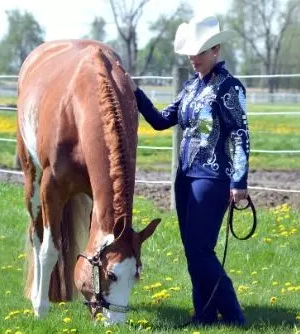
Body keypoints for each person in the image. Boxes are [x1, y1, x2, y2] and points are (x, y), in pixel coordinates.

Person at [131, 15, 250, 326]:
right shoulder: (190, 88)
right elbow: (160, 121)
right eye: (191, 53)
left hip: (213, 180)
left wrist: (239, 181)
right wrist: (135, 92)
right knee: (193, 252)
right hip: (185, 179)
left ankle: (235, 317)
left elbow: (240, 134)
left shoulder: (229, 88)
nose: (193, 58)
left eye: (200, 52)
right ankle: (205, 315)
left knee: (200, 251)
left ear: (216, 50)